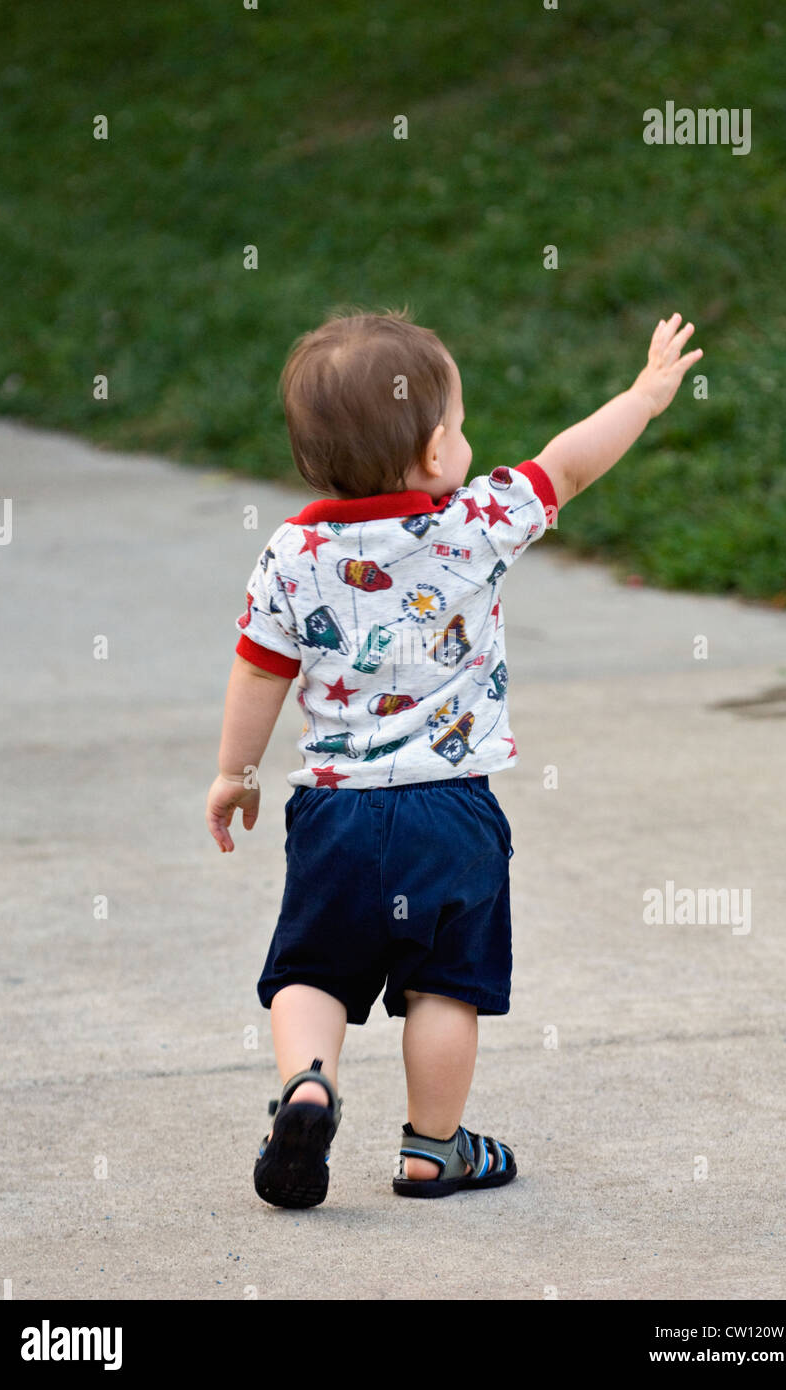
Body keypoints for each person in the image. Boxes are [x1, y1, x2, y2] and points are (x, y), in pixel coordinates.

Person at [205, 308, 702, 1207]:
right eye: (461, 425)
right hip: (451, 814)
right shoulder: (476, 524)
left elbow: (259, 669)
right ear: (435, 453)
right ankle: (433, 1150)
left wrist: (234, 772)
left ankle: (308, 1085)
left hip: (335, 813)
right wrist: (642, 395)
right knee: (443, 988)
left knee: (312, 968)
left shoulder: (291, 554)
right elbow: (571, 460)